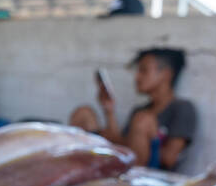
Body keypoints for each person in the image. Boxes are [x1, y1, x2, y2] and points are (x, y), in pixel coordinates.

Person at [69, 47, 198, 171]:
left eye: (143, 70)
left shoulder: (182, 108)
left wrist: (146, 142)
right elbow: (124, 145)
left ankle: (130, 183)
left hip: (152, 176)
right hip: (128, 161)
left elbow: (169, 158)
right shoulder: (140, 110)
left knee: (143, 120)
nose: (137, 77)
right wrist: (109, 110)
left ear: (166, 74)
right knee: (84, 114)